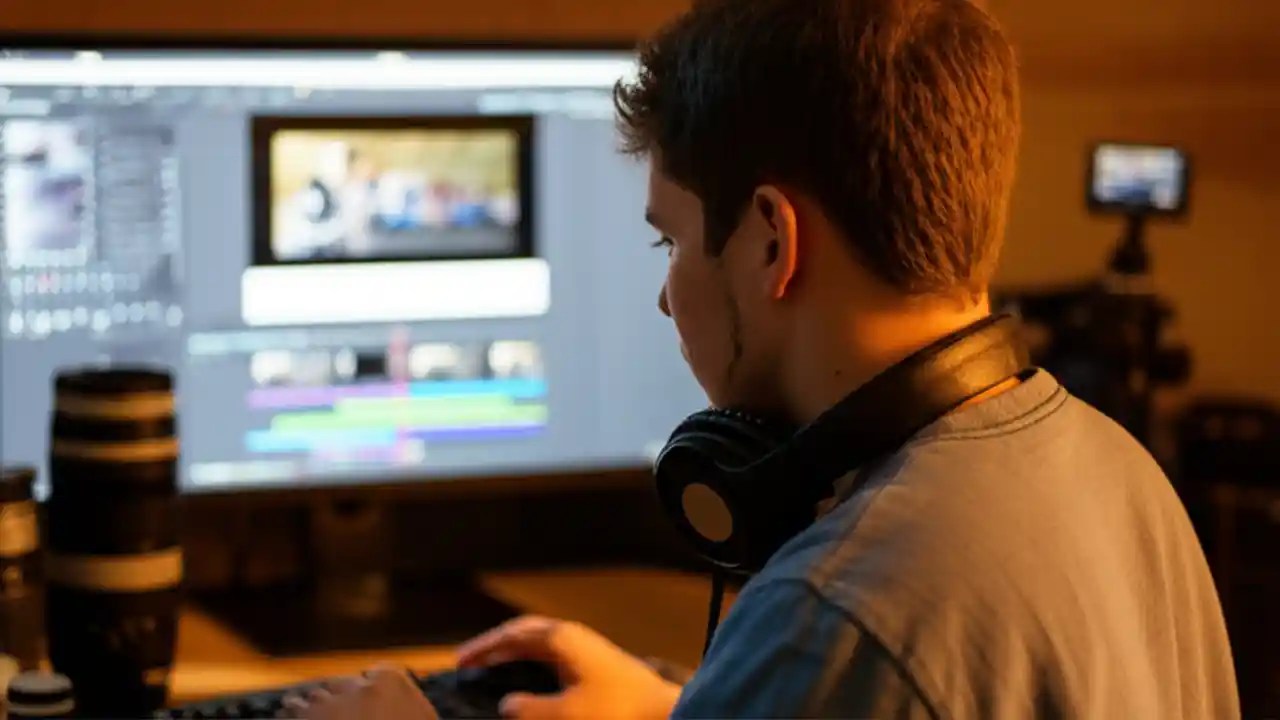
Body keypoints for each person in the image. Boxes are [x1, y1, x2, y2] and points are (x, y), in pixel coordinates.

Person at [286, 0, 1239, 717]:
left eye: (669, 241)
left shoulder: (838, 612)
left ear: (772, 242)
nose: (666, 297)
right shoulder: (1126, 479)